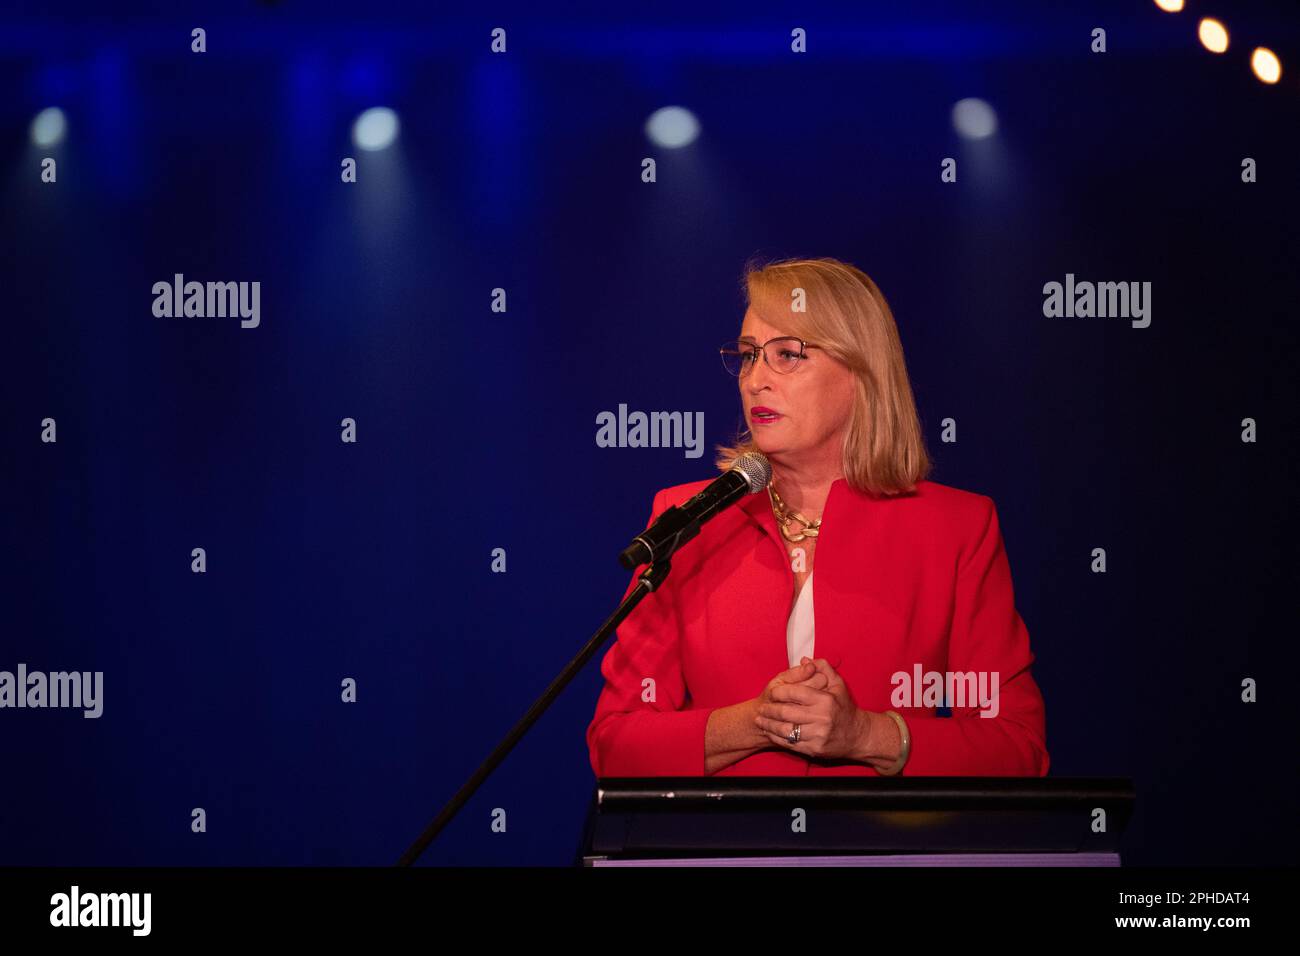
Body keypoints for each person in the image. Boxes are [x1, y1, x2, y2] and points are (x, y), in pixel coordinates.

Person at [587, 256, 1048, 777]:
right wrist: (755, 722)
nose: (755, 380)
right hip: (725, 852)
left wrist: (866, 735)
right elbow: (616, 743)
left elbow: (1015, 748)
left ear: (861, 372)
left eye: (787, 355)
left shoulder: (957, 528)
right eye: (747, 356)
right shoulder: (686, 519)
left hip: (886, 852)